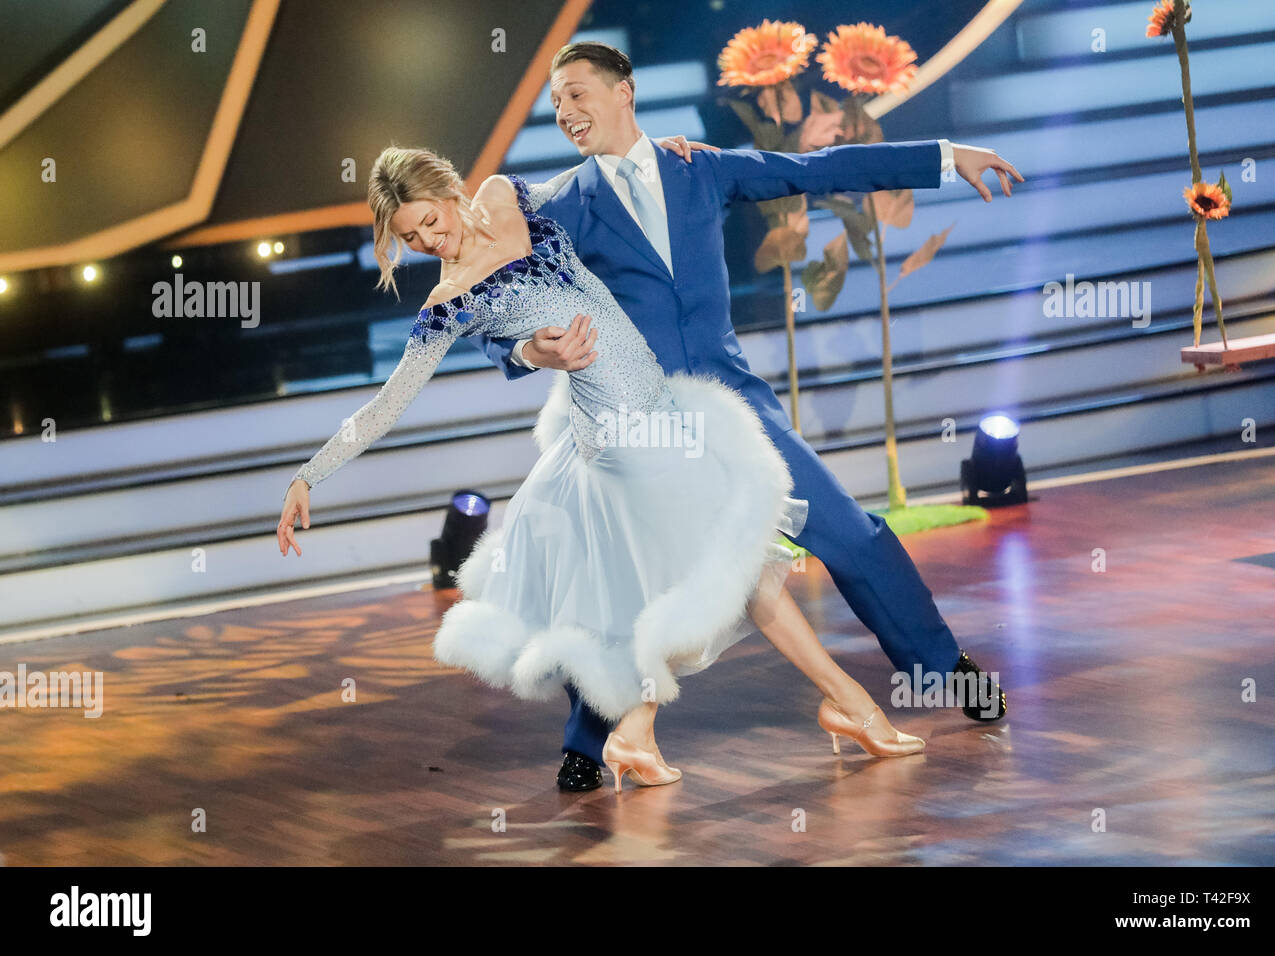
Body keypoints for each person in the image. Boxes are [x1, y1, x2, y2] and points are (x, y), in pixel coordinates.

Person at [277, 144, 926, 793]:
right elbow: (387, 402)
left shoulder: (507, 196)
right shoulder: (451, 298)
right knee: (736, 576)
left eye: (429, 222)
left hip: (660, 411)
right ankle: (843, 709)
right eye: (411, 237)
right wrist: (310, 474)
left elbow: (592, 180)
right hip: (623, 441)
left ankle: (649, 734)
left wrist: (655, 146)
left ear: (450, 192)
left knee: (741, 580)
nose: (427, 241)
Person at [473, 42, 1021, 791]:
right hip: (640, 423)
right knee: (617, 580)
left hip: (733, 404)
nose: (566, 113)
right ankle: (588, 738)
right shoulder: (559, 206)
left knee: (851, 536)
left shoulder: (700, 170)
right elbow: (493, 300)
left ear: (624, 90)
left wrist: (947, 153)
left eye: (577, 94)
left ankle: (942, 669)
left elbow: (818, 171)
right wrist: (530, 349)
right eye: (555, 104)